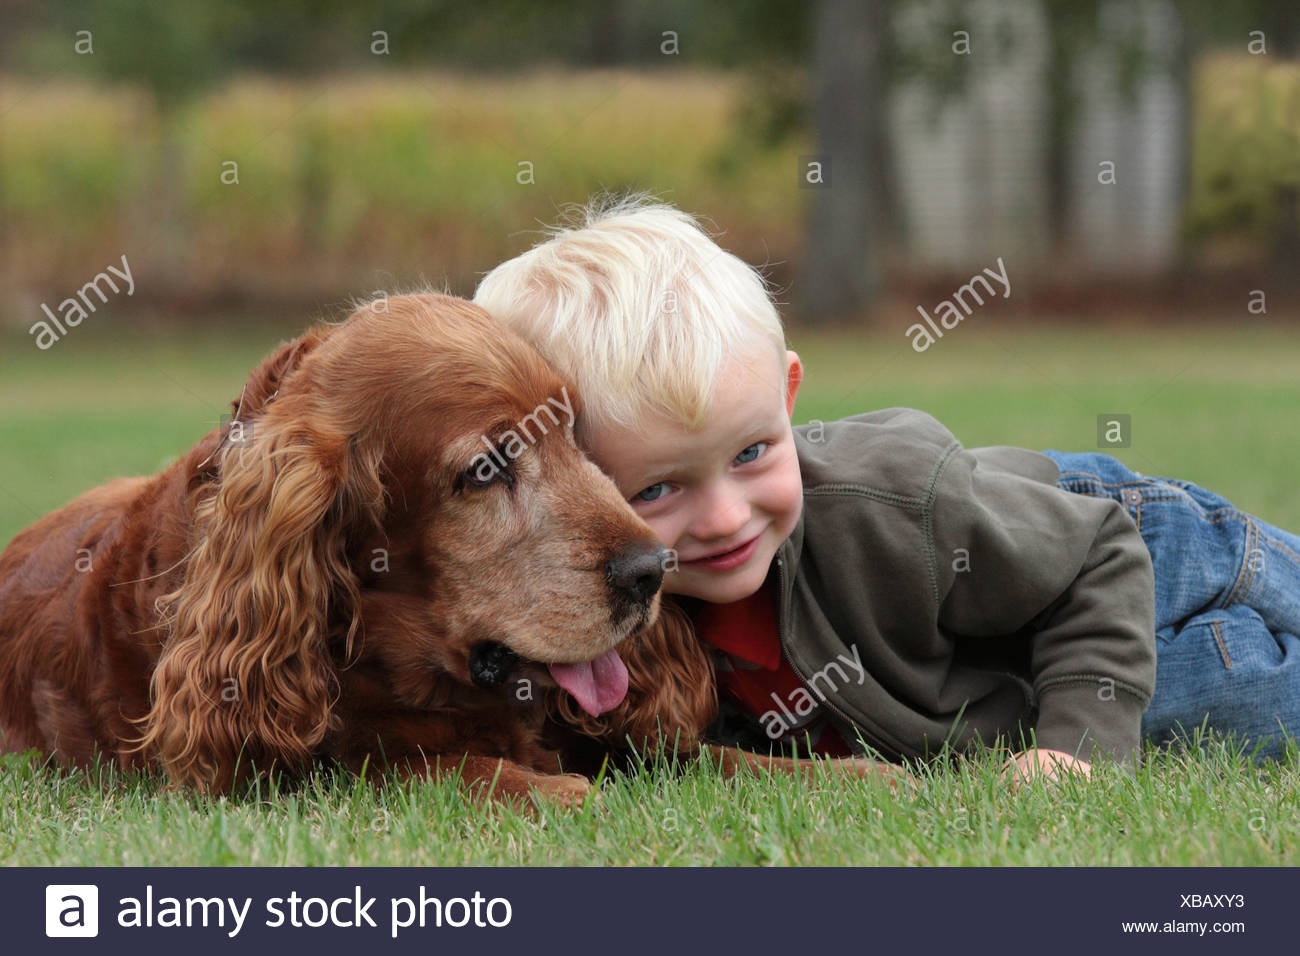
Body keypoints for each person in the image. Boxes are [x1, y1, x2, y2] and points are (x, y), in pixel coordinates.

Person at [473, 196, 1299, 783]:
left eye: (754, 451)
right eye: (656, 491)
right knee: (1225, 703)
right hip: (1002, 670)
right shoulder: (616, 600)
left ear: (788, 396)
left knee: (1178, 699)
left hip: (1102, 543)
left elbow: (1100, 561)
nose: (725, 516)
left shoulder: (888, 504)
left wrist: (1077, 754)